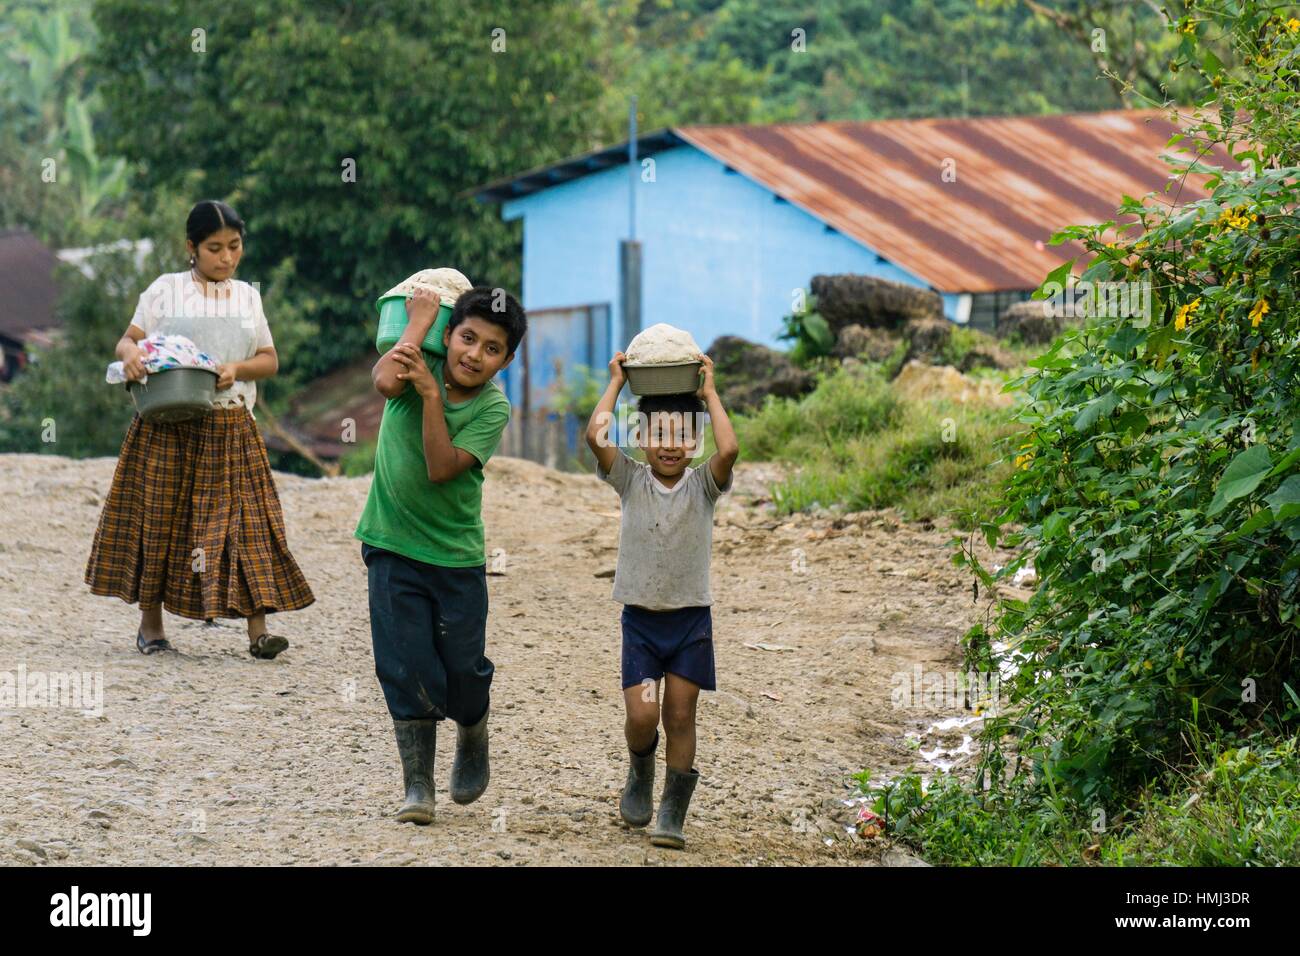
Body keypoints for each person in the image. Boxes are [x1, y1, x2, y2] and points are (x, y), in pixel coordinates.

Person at [86, 200, 314, 658]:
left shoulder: (248, 296)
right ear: (191, 247)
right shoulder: (165, 291)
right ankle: (151, 627)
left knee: (247, 524)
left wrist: (237, 368)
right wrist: (130, 355)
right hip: (167, 421)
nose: (226, 258)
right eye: (214, 248)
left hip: (230, 423)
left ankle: (259, 632)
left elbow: (269, 360)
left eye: (234, 246)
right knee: (159, 518)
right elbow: (128, 339)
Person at [356, 284, 526, 825]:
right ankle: (418, 785)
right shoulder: (416, 364)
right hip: (390, 542)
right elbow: (383, 381)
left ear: (507, 360)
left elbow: (440, 466)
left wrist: (432, 397)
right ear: (447, 335)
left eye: (491, 348)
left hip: (455, 557)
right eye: (467, 338)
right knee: (404, 663)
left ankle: (473, 728)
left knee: (462, 668)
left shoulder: (494, 407)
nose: (474, 354)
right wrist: (417, 323)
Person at [585, 350, 739, 849]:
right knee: (644, 716)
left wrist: (709, 393)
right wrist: (615, 383)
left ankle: (672, 812)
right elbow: (595, 436)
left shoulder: (703, 486)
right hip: (643, 626)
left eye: (682, 436)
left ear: (695, 442)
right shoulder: (630, 480)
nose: (670, 446)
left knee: (680, 714)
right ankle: (639, 769)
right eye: (659, 435)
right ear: (642, 438)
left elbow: (731, 449)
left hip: (690, 624)